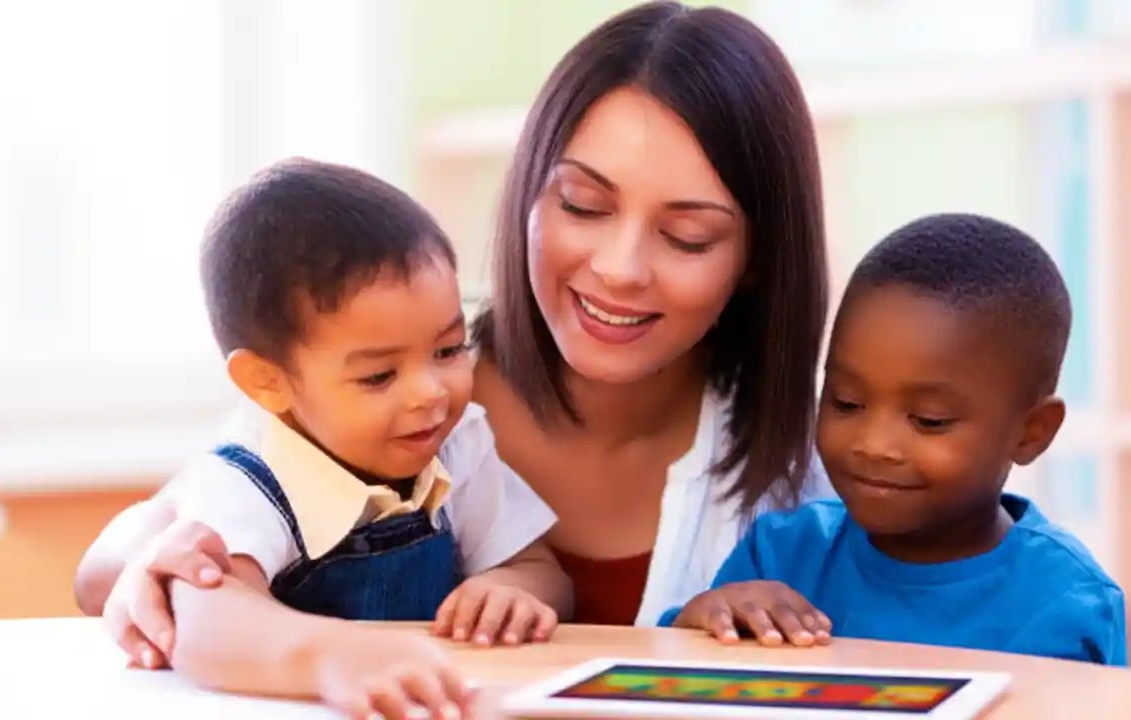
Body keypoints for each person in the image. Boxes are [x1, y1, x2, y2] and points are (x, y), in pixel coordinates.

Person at [78, 0, 830, 666]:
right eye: (583, 205)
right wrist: (157, 558)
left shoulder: (811, 461)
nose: (620, 268)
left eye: (690, 237)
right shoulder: (391, 395)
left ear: (758, 258)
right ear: (529, 192)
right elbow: (156, 537)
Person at [151, 158, 571, 717]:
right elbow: (205, 623)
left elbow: (543, 569)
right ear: (267, 382)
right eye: (379, 375)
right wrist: (332, 657)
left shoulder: (455, 445)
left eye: (448, 350)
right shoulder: (250, 476)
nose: (430, 393)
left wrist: (518, 591)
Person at [663, 214, 1127, 666]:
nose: (874, 443)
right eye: (846, 402)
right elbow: (672, 681)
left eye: (929, 420)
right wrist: (703, 622)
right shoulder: (780, 554)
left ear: (1032, 432)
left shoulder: (1065, 606)